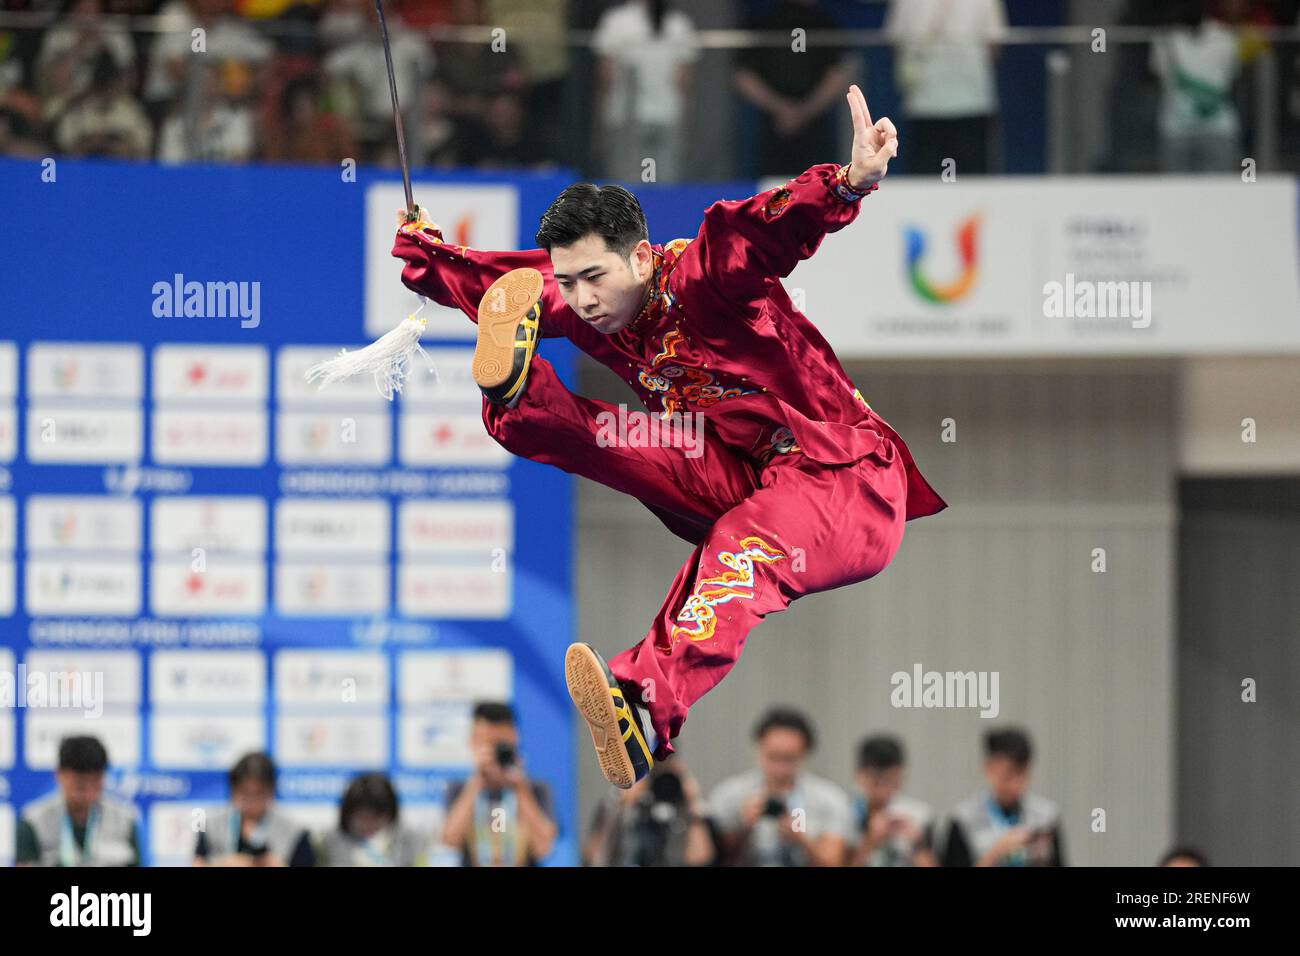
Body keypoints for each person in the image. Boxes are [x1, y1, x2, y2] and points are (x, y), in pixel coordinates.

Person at [389, 82, 944, 790]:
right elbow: (507, 287)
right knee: (609, 435)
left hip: (846, 477)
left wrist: (846, 184)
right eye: (570, 281)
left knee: (744, 547)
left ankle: (646, 708)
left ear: (644, 259)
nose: (583, 300)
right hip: (735, 470)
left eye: (594, 277)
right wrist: (426, 254)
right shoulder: (587, 300)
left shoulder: (704, 278)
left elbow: (760, 231)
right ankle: (514, 397)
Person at [708, 709, 851, 867]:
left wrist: (801, 839)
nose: (780, 769)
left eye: (789, 759)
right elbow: (710, 857)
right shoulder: (730, 795)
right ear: (758, 749)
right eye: (773, 757)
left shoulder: (829, 799)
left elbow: (833, 862)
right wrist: (743, 825)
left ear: (805, 754)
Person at [733, 0, 858, 178]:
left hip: (814, 124)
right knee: (780, 187)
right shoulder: (765, 23)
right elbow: (743, 75)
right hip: (775, 125)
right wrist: (781, 109)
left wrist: (803, 111)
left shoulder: (824, 23)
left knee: (818, 182)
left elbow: (838, 73)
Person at [884, 0, 1007, 175]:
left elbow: (896, 43)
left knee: (938, 179)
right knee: (958, 180)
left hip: (962, 104)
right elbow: (994, 46)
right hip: (936, 104)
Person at [592, 0, 698, 182]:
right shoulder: (679, 23)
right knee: (663, 179)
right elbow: (683, 80)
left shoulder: (616, 21)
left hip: (626, 118)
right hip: (668, 114)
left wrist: (599, 122)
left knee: (629, 181)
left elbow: (606, 76)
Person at [441, 702, 558, 866]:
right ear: (472, 742)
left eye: (501, 745)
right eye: (487, 744)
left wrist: (519, 787)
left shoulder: (536, 789)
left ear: (515, 738)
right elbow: (450, 841)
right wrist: (477, 782)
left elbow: (544, 847)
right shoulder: (460, 789)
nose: (494, 752)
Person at [941, 728, 1064, 867]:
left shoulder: (1045, 817)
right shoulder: (964, 820)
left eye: (1022, 775)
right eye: (1007, 776)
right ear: (989, 768)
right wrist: (997, 853)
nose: (1015, 785)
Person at [16, 736, 141, 866]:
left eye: (96, 783)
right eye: (80, 786)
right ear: (60, 775)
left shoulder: (125, 820)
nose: (89, 793)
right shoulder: (33, 823)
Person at [584, 758, 716, 866]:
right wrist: (624, 804)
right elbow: (594, 858)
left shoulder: (683, 805)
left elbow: (700, 859)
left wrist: (693, 803)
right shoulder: (616, 806)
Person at [193, 751, 315, 866]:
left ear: (271, 792)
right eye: (245, 793)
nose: (251, 801)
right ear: (233, 790)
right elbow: (197, 862)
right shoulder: (212, 826)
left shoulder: (295, 832)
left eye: (259, 794)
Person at [848, 735, 937, 866]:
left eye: (892, 781)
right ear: (860, 776)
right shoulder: (846, 813)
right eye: (877, 782)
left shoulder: (920, 815)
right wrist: (870, 841)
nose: (884, 790)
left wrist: (917, 843)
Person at [317, 772, 430, 866]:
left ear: (390, 814)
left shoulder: (411, 842)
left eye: (375, 818)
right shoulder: (330, 843)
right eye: (361, 817)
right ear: (347, 814)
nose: (368, 824)